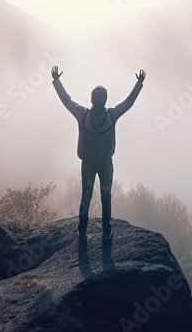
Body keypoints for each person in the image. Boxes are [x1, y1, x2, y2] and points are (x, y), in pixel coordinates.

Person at [51, 65, 145, 241]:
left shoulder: (82, 114)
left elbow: (66, 101)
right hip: (106, 164)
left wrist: (57, 81)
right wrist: (138, 84)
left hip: (87, 163)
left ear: (92, 100)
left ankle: (82, 230)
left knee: (86, 195)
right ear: (105, 100)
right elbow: (129, 102)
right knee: (106, 196)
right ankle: (106, 233)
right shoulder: (112, 114)